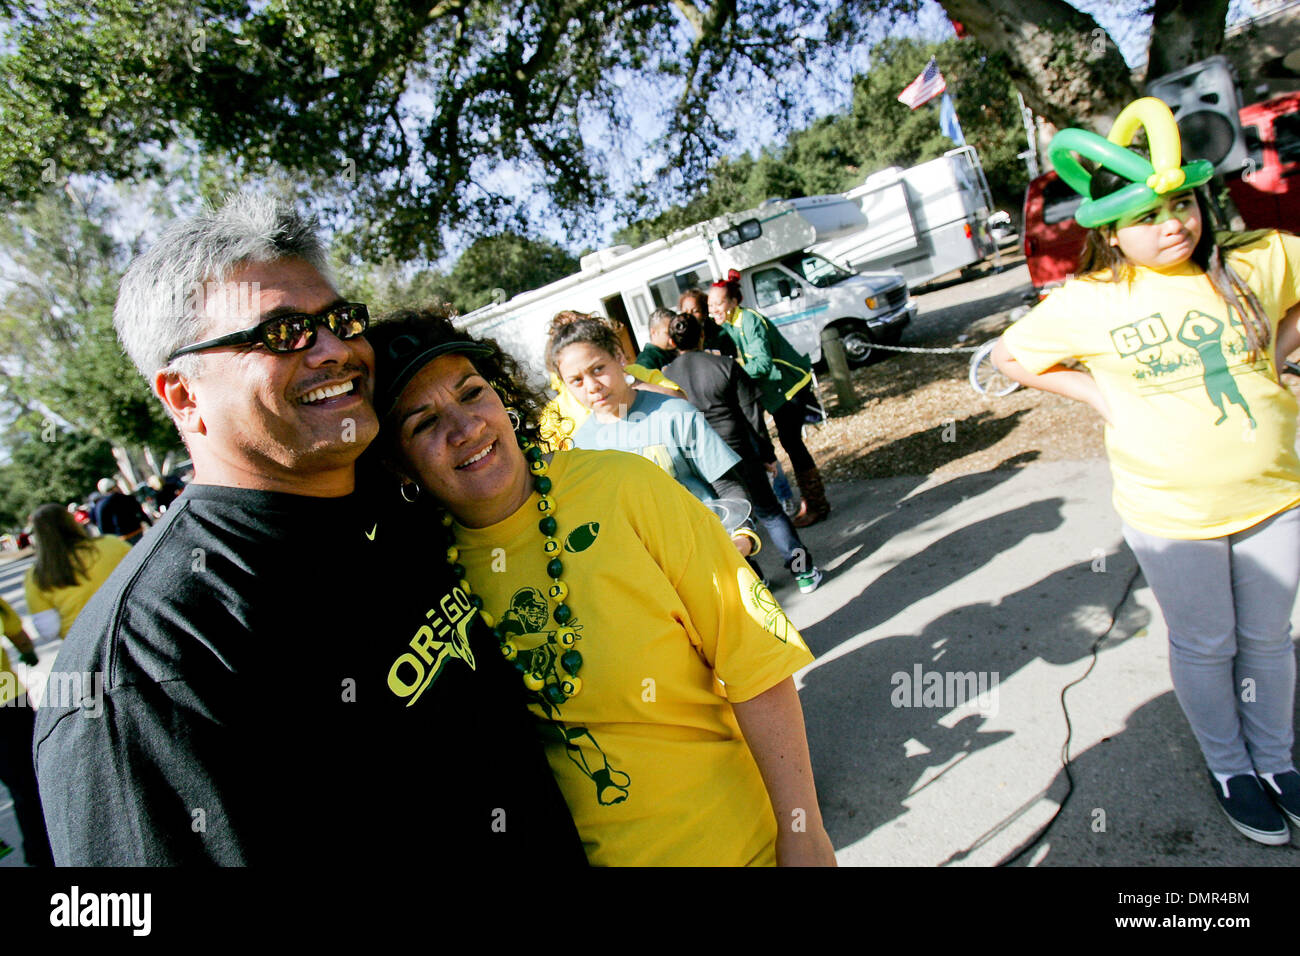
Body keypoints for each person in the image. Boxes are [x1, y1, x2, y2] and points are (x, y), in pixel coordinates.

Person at [33, 191, 584, 866]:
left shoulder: (397, 503)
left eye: (340, 320)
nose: (335, 350)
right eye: (282, 333)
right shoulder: (150, 664)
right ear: (183, 396)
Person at [368, 308, 836, 866]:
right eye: (423, 423)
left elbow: (755, 660)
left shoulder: (626, 487)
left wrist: (803, 835)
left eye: (472, 393)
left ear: (503, 397)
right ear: (399, 466)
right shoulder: (423, 578)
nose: (465, 427)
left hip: (741, 848)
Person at [992, 97, 1300, 846]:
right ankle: (1230, 767)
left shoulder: (1256, 259)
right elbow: (1011, 356)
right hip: (1172, 516)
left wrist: (1280, 348)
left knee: (1270, 640)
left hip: (1276, 496)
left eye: (1184, 204)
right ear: (1112, 231)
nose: (1176, 224)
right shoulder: (1092, 300)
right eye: (1152, 215)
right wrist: (1097, 393)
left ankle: (1278, 760)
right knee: (1207, 645)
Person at [548, 314, 780, 581]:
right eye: (576, 380)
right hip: (653, 591)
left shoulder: (676, 415)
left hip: (716, 568)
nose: (592, 387)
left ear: (620, 358)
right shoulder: (580, 449)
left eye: (598, 369)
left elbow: (728, 486)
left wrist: (742, 539)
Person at [663, 311, 823, 592]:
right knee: (771, 512)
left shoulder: (664, 379)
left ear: (671, 341)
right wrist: (767, 453)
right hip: (739, 449)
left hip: (701, 459)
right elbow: (752, 415)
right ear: (702, 335)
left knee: (729, 523)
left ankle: (757, 581)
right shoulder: (724, 365)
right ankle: (803, 571)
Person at [708, 270, 831, 527]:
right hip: (777, 393)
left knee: (792, 444)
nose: (714, 310)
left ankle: (816, 504)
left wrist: (733, 374)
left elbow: (762, 364)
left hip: (789, 386)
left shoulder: (750, 321)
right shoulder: (732, 324)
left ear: (733, 302)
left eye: (718, 303)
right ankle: (814, 501)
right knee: (791, 443)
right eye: (710, 305)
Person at [537, 309, 680, 451]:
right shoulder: (553, 416)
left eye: (598, 369)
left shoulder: (636, 373)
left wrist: (628, 380)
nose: (592, 387)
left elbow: (681, 402)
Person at [24, 503, 131, 640]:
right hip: (130, 626)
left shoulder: (37, 575)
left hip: (83, 645)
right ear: (71, 521)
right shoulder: (112, 544)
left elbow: (48, 630)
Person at [0, 597, 53, 866]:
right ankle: (41, 852)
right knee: (27, 783)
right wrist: (28, 651)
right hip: (8, 702)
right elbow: (16, 633)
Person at [90, 477, 151, 545]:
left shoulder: (101, 506)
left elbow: (103, 526)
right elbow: (141, 513)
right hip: (137, 531)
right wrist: (150, 524)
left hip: (121, 538)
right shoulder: (127, 498)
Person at [679, 287, 735, 357]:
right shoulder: (679, 336)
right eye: (685, 311)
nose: (689, 315)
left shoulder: (720, 334)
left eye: (695, 311)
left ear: (704, 313)